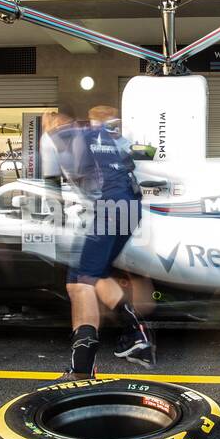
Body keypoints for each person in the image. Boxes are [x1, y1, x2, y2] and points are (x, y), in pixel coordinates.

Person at [49, 105, 154, 377]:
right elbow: (145, 154)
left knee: (79, 282)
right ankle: (137, 336)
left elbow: (66, 175)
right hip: (131, 208)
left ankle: (82, 369)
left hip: (109, 208)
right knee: (97, 274)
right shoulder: (115, 139)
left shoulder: (70, 134)